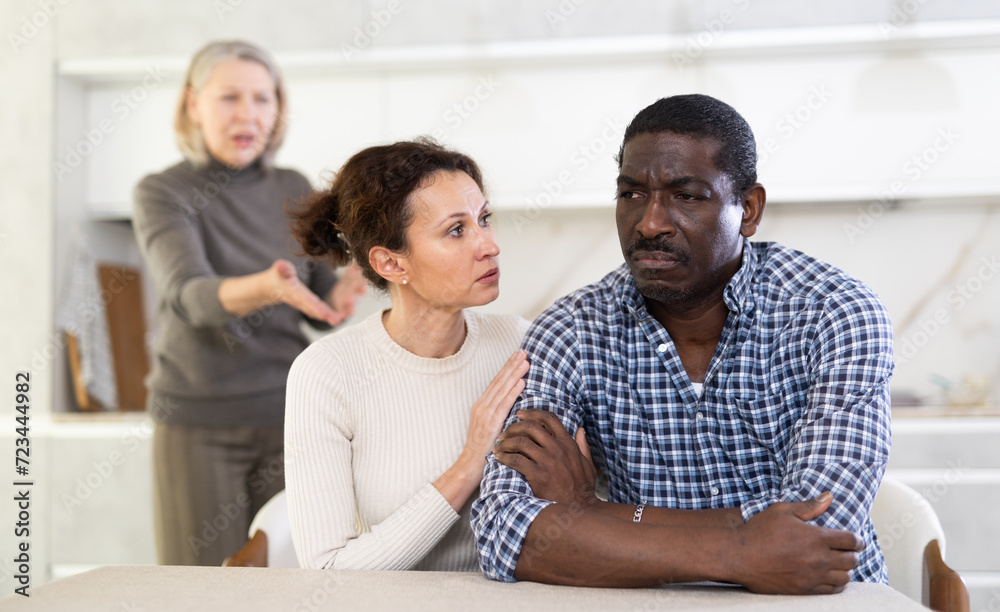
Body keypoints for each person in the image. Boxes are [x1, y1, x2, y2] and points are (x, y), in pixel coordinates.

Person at [472, 94, 893, 594]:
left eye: (686, 195)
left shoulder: (833, 313)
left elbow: (817, 534)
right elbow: (504, 533)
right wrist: (740, 550)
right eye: (631, 195)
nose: (650, 223)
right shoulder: (573, 329)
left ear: (749, 210)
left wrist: (592, 514)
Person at [132, 40, 366, 566]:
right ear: (193, 105)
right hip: (200, 421)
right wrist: (267, 285)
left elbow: (316, 300)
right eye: (229, 98)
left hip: (290, 417)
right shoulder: (162, 191)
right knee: (203, 588)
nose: (249, 114)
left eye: (263, 99)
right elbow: (189, 295)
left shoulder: (293, 186)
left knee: (291, 574)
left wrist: (342, 289)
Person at [283, 139, 530, 571]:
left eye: (484, 219)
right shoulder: (327, 374)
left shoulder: (518, 343)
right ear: (392, 264)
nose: (488, 245)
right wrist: (470, 463)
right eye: (457, 230)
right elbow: (329, 571)